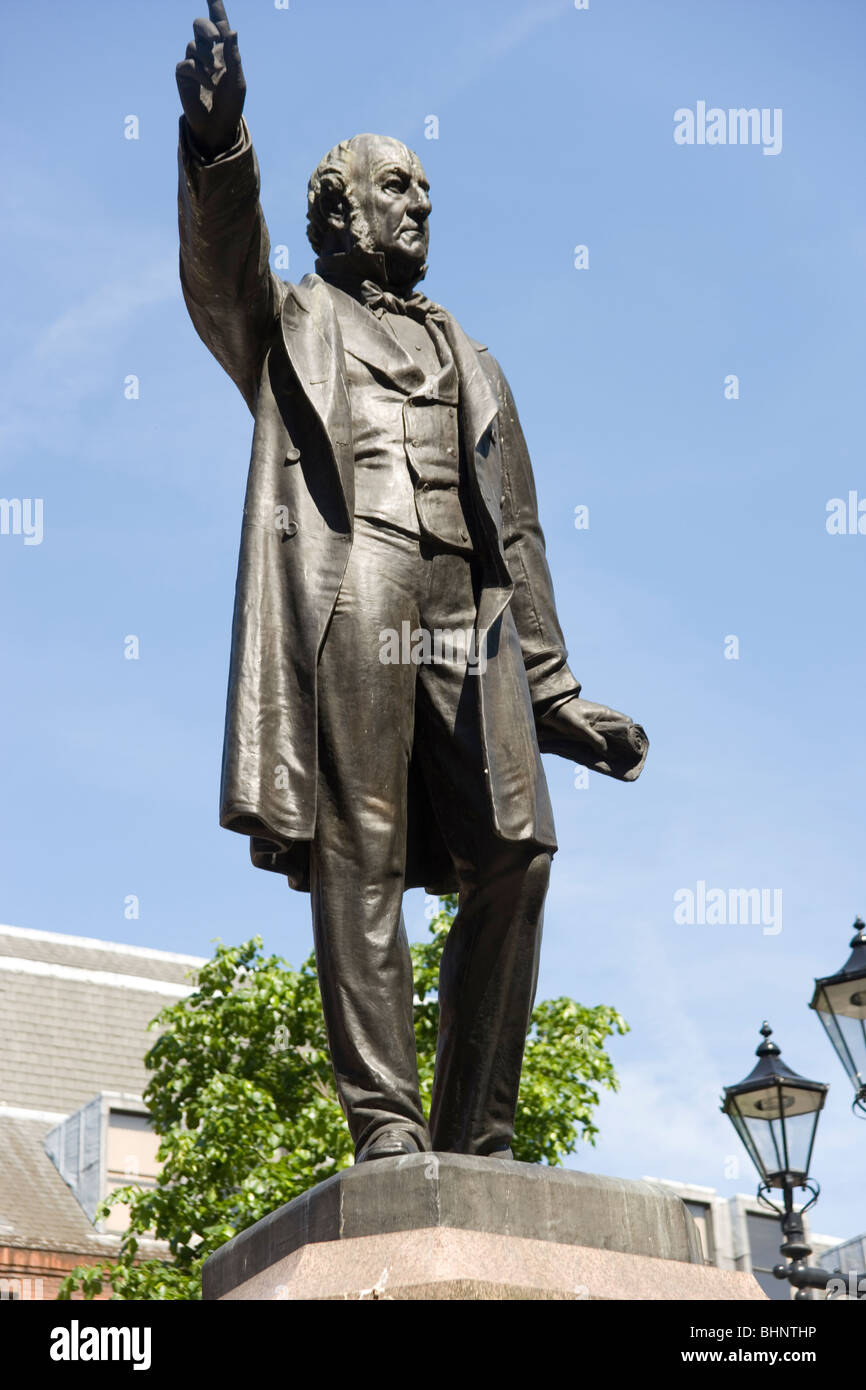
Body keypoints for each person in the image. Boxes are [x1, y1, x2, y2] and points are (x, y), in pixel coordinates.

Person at [176, 2, 648, 1163]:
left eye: (426, 191)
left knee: (517, 850)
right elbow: (221, 271)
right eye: (396, 188)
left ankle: (476, 1132)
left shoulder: (469, 357)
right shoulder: (293, 325)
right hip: (359, 585)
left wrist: (555, 692)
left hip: (469, 617)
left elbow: (520, 537)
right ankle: (386, 1120)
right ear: (337, 208)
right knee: (364, 846)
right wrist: (219, 144)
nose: (419, 205)